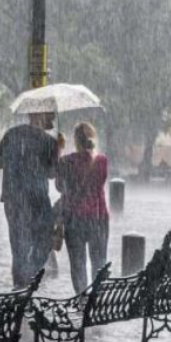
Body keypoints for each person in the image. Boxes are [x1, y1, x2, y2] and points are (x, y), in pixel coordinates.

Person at [0, 111, 60, 290]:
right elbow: (52, 174)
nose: (52, 122)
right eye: (50, 117)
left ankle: (19, 284)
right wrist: (56, 153)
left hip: (12, 198)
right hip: (37, 198)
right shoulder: (49, 142)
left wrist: (17, 161)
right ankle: (29, 274)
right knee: (46, 238)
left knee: (18, 244)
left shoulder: (10, 134)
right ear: (39, 116)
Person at [56, 122, 110, 293]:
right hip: (98, 218)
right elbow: (99, 183)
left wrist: (59, 151)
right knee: (99, 263)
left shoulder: (66, 161)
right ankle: (96, 301)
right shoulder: (102, 161)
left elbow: (59, 187)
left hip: (75, 219)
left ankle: (81, 301)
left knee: (78, 265)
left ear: (75, 140)